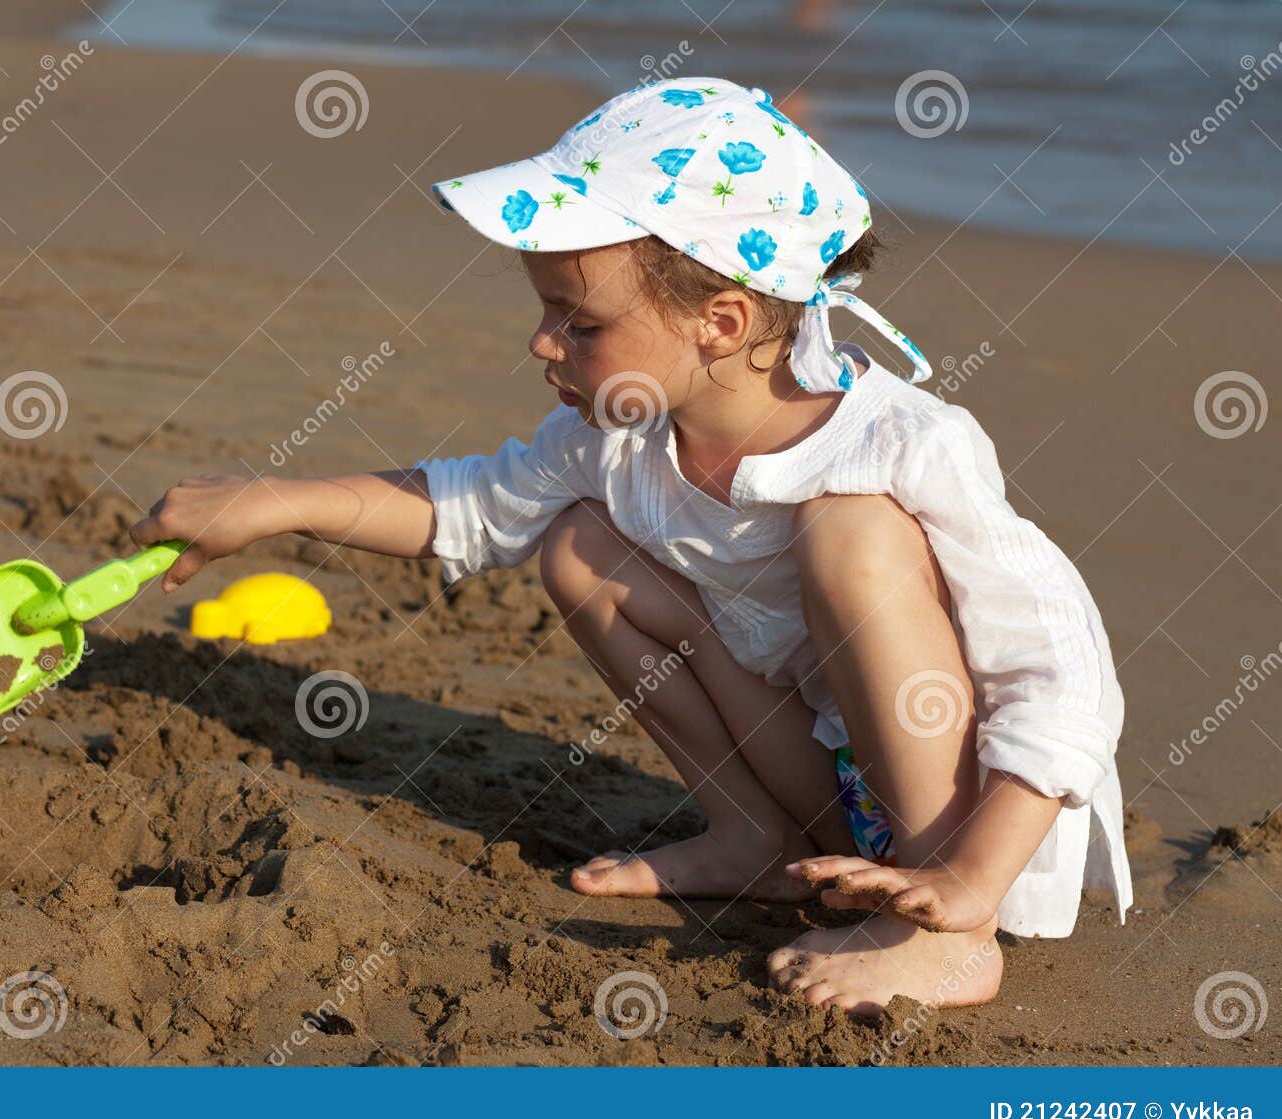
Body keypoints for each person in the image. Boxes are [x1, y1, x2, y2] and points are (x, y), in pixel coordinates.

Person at [133, 78, 1130, 1017]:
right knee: (576, 545)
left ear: (721, 321)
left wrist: (967, 878)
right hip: (829, 801)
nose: (541, 343)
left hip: (972, 824)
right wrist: (273, 501)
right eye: (544, 311)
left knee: (851, 534)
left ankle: (947, 937)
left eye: (579, 320)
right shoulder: (616, 437)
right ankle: (752, 834)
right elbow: (472, 506)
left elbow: (1063, 673)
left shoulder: (901, 443)